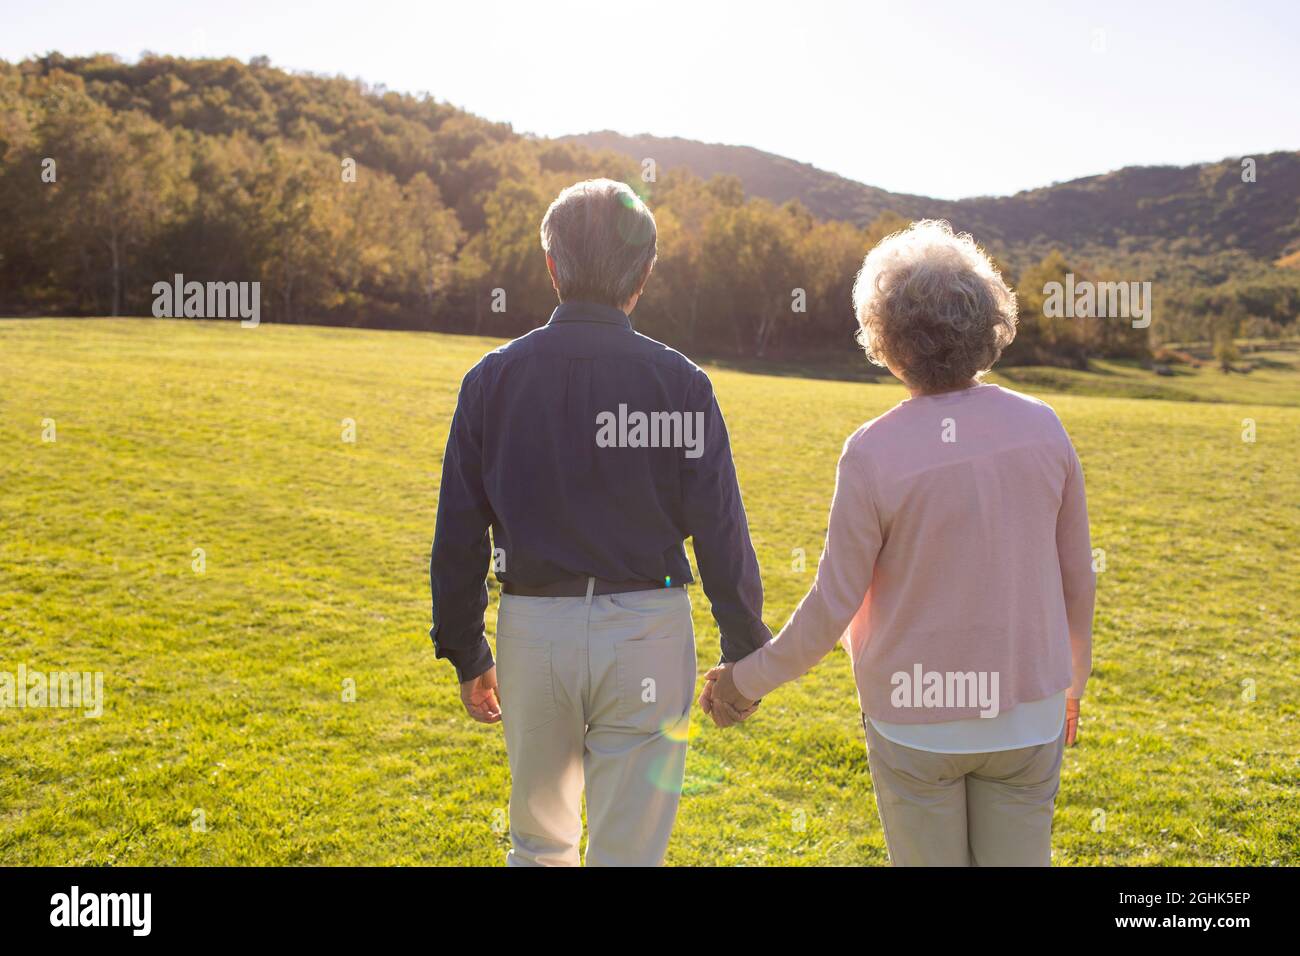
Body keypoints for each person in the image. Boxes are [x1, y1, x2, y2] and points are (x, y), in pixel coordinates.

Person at [704, 219, 1095, 866]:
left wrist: (746, 682)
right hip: (1030, 714)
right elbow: (1077, 576)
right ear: (986, 326)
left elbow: (832, 607)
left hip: (917, 723)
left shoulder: (872, 451)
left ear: (887, 342)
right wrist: (1072, 681)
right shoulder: (1043, 427)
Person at [430, 178, 768, 866]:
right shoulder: (680, 383)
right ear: (644, 275)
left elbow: (459, 532)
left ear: (551, 266)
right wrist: (743, 647)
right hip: (647, 629)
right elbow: (720, 527)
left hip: (535, 632)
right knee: (629, 853)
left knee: (537, 843)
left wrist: (467, 648)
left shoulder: (491, 379)